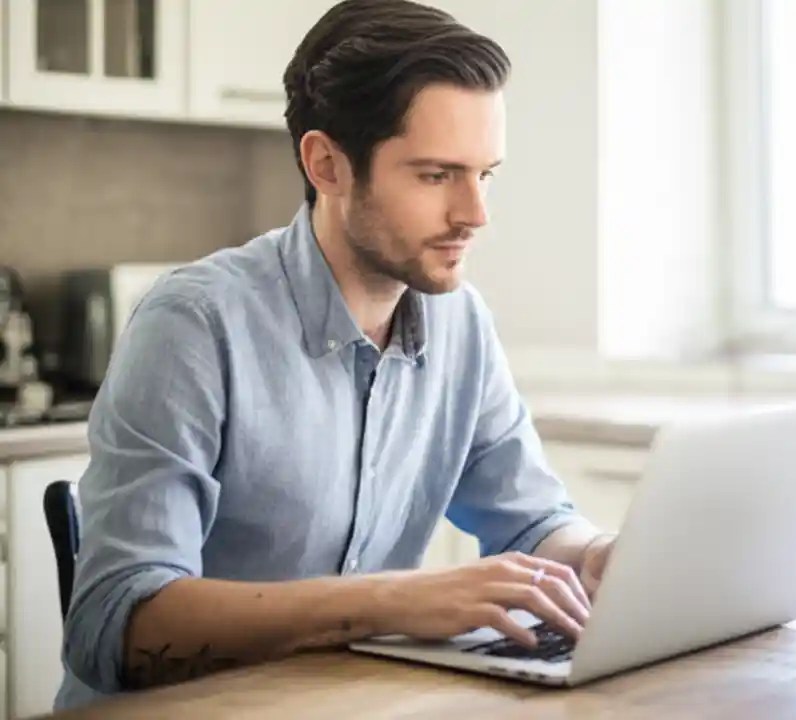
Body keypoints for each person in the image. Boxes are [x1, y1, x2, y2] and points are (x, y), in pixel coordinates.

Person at [55, 0, 615, 709]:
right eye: (437, 175)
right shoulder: (194, 325)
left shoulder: (460, 323)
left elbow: (532, 522)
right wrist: (390, 601)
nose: (476, 215)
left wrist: (600, 557)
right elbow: (115, 626)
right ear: (326, 164)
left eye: (486, 174)